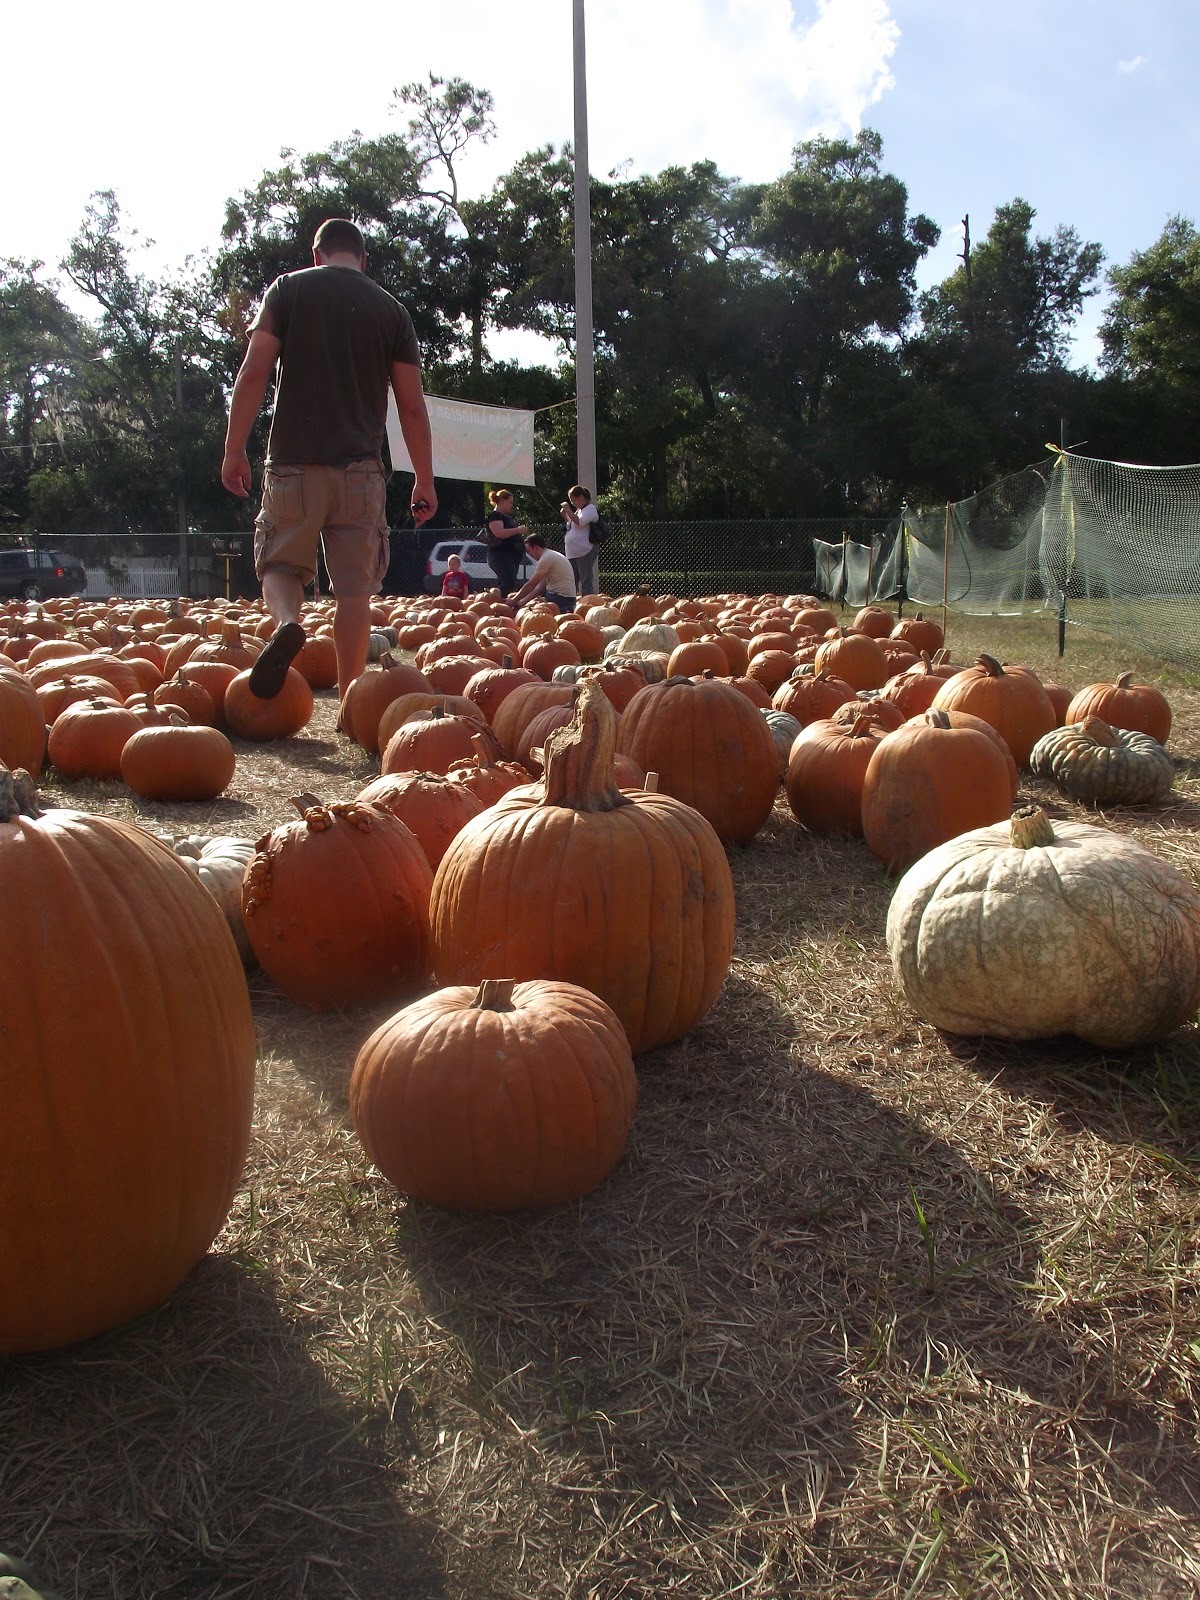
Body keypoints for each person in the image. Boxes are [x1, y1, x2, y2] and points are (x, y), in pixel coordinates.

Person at [220, 217, 437, 705]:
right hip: (361, 472)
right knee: (354, 592)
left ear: (318, 255)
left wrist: (235, 449)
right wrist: (423, 478)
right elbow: (411, 407)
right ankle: (349, 700)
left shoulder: (287, 291)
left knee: (280, 565)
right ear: (363, 259)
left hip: (294, 464)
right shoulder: (392, 312)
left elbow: (254, 372)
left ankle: (288, 624)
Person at [511, 533, 577, 613]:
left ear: (536, 548)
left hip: (559, 598)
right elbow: (539, 587)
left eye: (529, 551)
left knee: (537, 616)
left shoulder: (545, 559)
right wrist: (521, 602)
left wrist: (513, 601)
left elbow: (531, 585)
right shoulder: (551, 555)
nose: (530, 555)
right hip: (569, 599)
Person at [483, 488, 528, 598]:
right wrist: (518, 530)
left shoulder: (505, 517)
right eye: (510, 503)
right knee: (509, 582)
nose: (511, 505)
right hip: (500, 555)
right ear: (502, 501)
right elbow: (498, 532)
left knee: (506, 582)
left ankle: (500, 605)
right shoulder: (495, 515)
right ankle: (490, 600)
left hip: (511, 556)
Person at [560, 484, 599, 599]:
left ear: (582, 497)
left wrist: (568, 510)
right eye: (571, 501)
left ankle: (589, 602)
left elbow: (580, 522)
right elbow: (571, 522)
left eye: (574, 500)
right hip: (573, 552)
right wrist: (565, 513)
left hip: (584, 550)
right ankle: (571, 602)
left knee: (585, 579)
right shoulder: (578, 511)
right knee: (572, 580)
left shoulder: (590, 509)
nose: (573, 503)